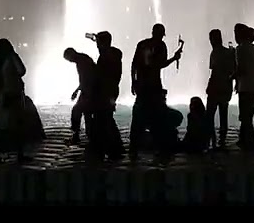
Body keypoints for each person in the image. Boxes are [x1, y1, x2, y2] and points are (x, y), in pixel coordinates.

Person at [130, 23, 183, 155]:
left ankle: (135, 143)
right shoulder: (161, 46)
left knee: (139, 112)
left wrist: (134, 81)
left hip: (142, 85)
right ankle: (158, 143)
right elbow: (160, 65)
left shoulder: (141, 44)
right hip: (154, 85)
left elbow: (134, 64)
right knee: (157, 113)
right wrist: (174, 58)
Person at [0, 38, 31, 163]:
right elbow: (22, 71)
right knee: (17, 125)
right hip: (12, 94)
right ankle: (19, 154)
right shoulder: (11, 58)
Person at [86, 31, 124, 159]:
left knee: (103, 118)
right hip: (110, 91)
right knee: (105, 118)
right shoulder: (113, 53)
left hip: (106, 92)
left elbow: (102, 75)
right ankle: (113, 147)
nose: (97, 45)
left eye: (98, 42)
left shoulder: (107, 56)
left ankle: (111, 147)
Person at [205, 29, 235, 150]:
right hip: (226, 88)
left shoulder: (215, 53)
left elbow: (214, 72)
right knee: (224, 114)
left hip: (215, 88)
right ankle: (222, 140)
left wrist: (209, 86)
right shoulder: (229, 52)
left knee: (210, 115)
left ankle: (211, 139)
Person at [234, 23, 254, 149]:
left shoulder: (240, 49)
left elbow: (241, 69)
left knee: (245, 116)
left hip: (244, 87)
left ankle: (250, 141)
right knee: (248, 115)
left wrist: (231, 76)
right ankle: (244, 139)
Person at [63, 47, 97, 145]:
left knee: (77, 111)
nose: (70, 61)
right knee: (87, 114)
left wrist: (77, 91)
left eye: (69, 59)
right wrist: (77, 90)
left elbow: (86, 78)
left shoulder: (82, 62)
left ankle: (77, 135)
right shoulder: (82, 59)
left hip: (89, 91)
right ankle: (90, 137)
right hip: (89, 90)